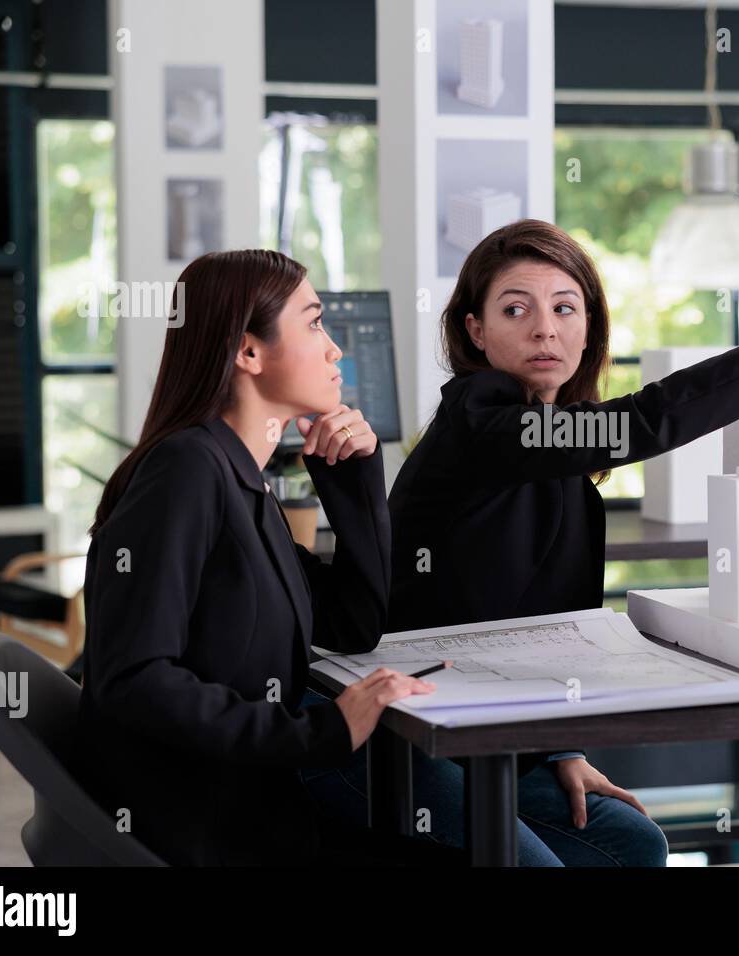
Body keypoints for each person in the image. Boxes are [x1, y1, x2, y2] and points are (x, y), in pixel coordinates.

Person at [303, 219, 739, 866]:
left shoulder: (548, 444)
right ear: (475, 332)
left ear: (588, 328)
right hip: (388, 734)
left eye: (564, 308)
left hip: (478, 723)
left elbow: (534, 615)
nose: (545, 327)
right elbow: (645, 422)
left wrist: (562, 751)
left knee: (630, 844)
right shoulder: (478, 419)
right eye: (516, 309)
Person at [75, 249, 455, 866]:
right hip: (213, 838)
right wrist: (321, 732)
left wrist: (355, 481)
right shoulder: (188, 471)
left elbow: (350, 625)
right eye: (313, 322)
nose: (335, 349)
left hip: (259, 820)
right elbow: (134, 679)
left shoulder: (240, 477)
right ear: (248, 352)